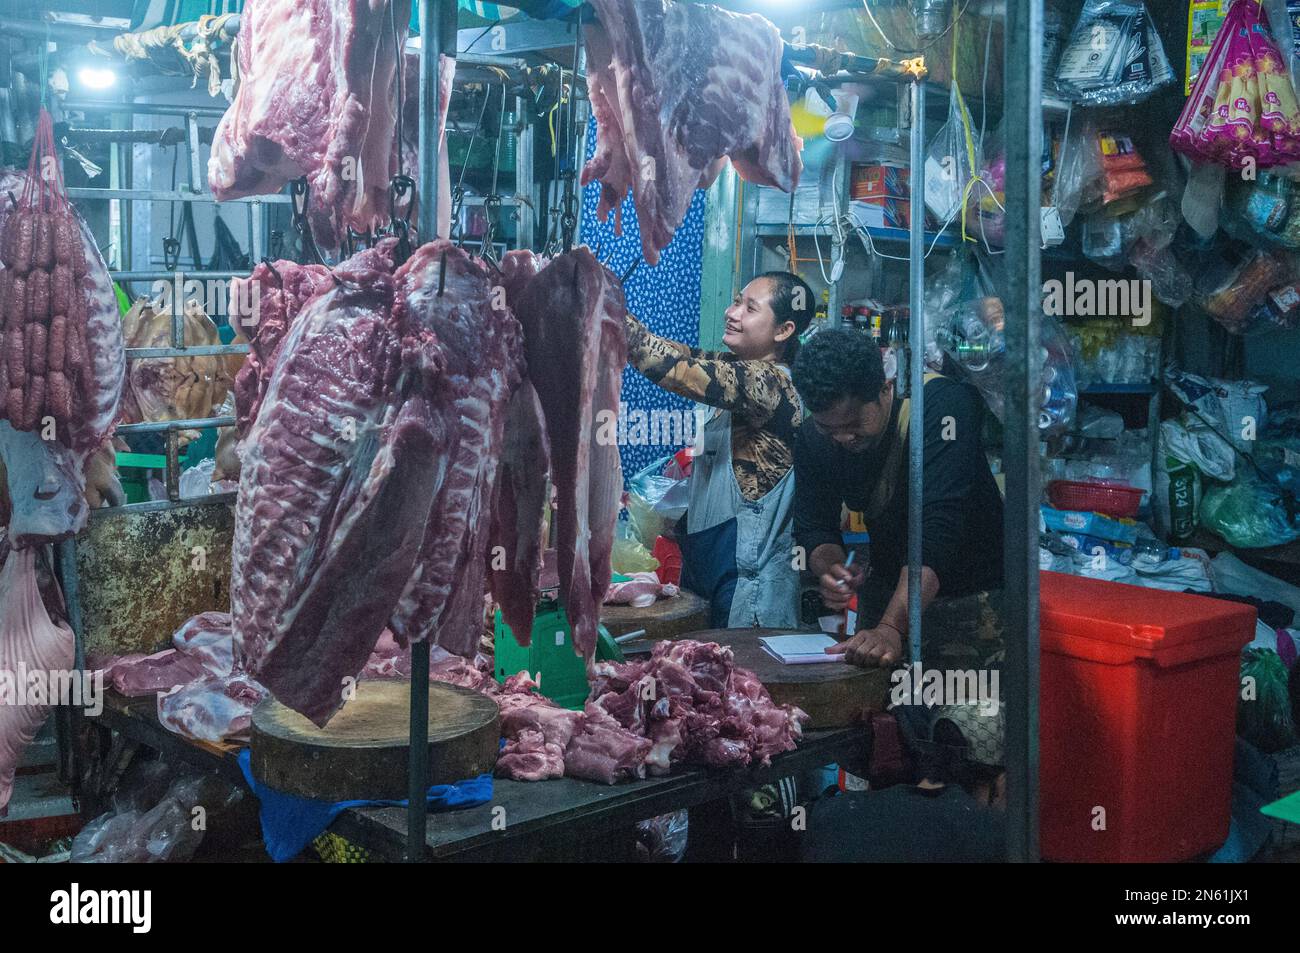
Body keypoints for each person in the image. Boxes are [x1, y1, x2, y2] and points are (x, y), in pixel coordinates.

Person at [790, 328, 1004, 666]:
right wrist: (831, 568)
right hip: (891, 592)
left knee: (965, 716)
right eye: (827, 428)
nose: (843, 437)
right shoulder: (814, 438)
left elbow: (937, 533)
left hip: (972, 599)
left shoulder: (943, 408)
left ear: (885, 387)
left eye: (854, 422)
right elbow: (813, 525)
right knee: (879, 711)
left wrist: (891, 626)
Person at [624, 272, 814, 628]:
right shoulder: (735, 370)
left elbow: (677, 369)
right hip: (708, 569)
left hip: (749, 585)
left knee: (741, 680)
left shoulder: (769, 383)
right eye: (736, 300)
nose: (732, 312)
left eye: (749, 308)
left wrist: (611, 316)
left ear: (784, 330)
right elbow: (683, 355)